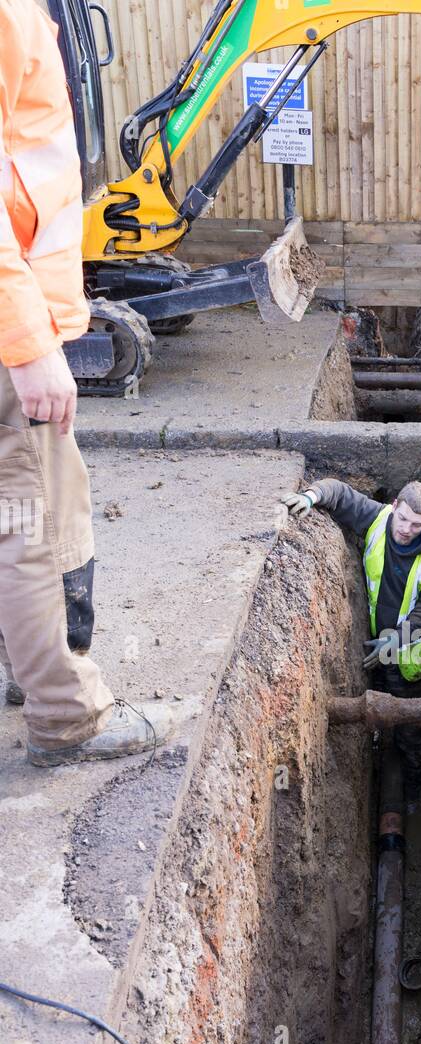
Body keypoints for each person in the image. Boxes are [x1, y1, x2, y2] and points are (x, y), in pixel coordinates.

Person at [0, 0, 171, 765]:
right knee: (32, 523)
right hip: (12, 332)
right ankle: (65, 716)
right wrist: (30, 345)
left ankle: (23, 663)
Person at [282, 479, 421, 797]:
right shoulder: (378, 519)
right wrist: (311, 496)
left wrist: (396, 641)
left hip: (408, 655)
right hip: (372, 644)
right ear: (395, 506)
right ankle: (374, 768)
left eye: (416, 525)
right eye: (403, 519)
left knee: (412, 729)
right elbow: (341, 495)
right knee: (374, 707)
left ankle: (414, 790)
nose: (406, 529)